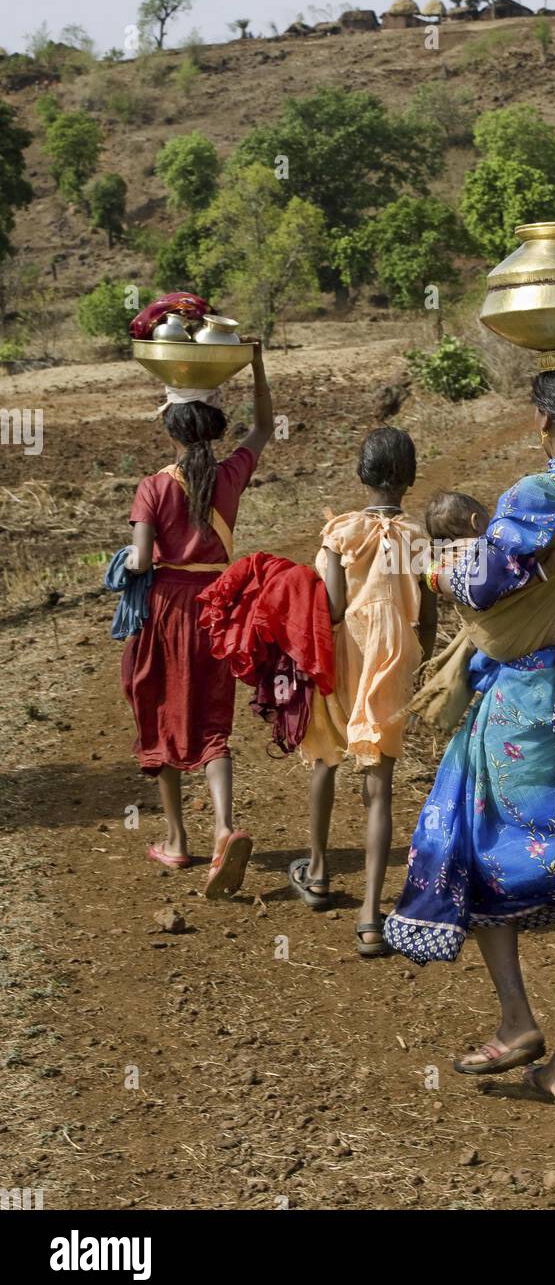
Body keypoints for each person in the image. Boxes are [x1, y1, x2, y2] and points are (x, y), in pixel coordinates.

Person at [385, 338, 555, 1109]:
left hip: (534, 700)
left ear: (546, 420)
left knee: (476, 840)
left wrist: (431, 565)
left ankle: (515, 1019)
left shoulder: (540, 491)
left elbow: (485, 578)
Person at [122, 342, 274, 897]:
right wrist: (256, 363)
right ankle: (224, 828)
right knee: (212, 719)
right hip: (218, 605)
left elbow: (140, 560)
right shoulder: (230, 474)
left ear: (171, 430)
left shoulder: (153, 486)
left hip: (167, 608)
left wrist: (129, 563)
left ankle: (176, 839)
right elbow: (262, 425)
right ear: (211, 427)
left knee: (159, 708)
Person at [293, 428, 438, 956]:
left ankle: (317, 871)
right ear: (411, 478)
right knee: (380, 783)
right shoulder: (418, 538)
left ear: (361, 475)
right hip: (394, 656)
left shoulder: (341, 532)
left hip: (343, 652)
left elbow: (330, 608)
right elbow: (428, 614)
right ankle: (371, 916)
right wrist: (421, 665)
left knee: (326, 759)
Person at [425, 490, 555, 706]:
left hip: (482, 638)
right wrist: (547, 569)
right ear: (476, 521)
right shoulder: (488, 557)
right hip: (505, 637)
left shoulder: (441, 565)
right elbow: (515, 587)